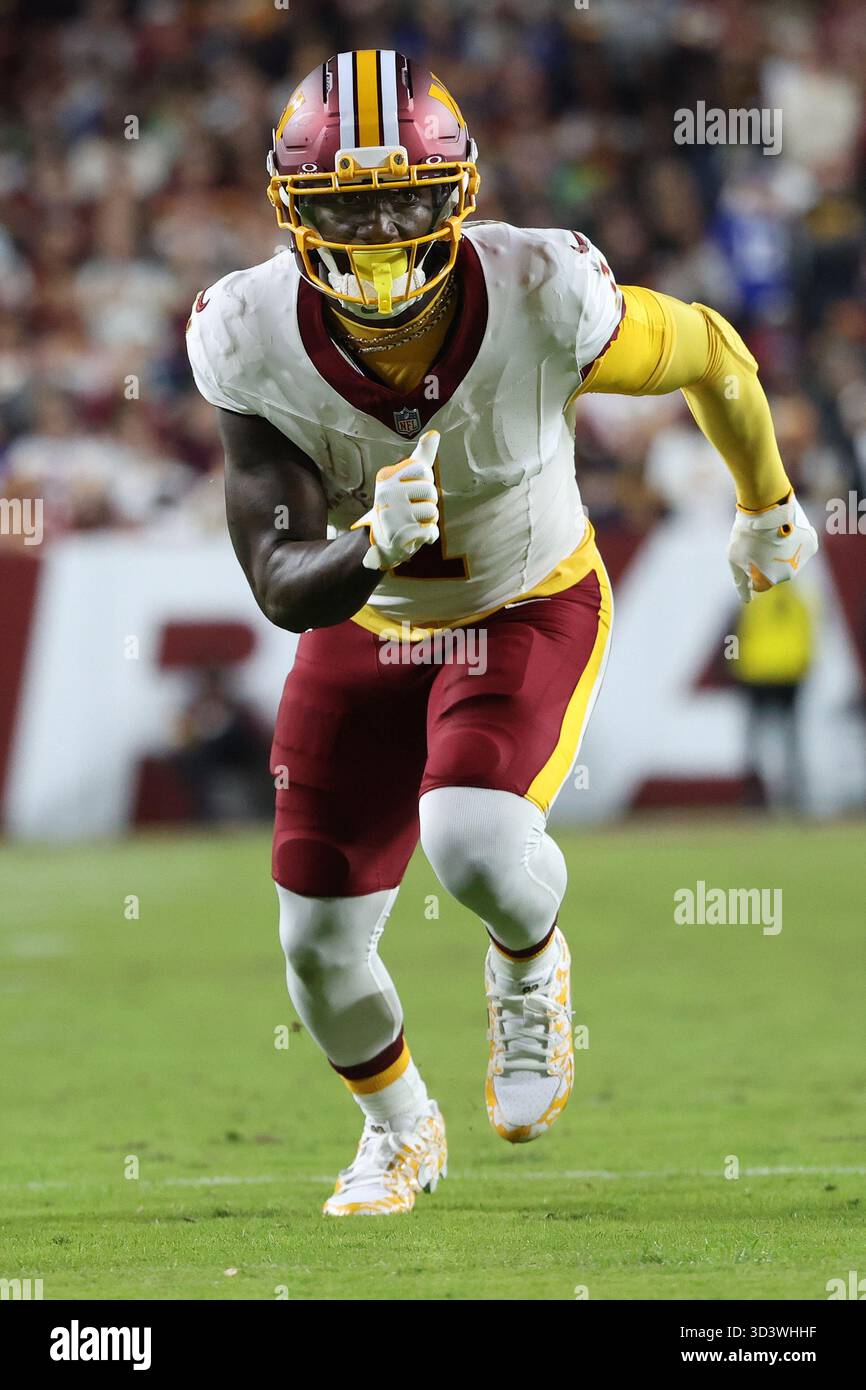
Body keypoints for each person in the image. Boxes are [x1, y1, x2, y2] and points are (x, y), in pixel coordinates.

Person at [186, 50, 818, 1216]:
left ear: (457, 193)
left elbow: (708, 348)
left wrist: (764, 500)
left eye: (403, 199)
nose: (380, 232)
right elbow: (278, 580)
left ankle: (529, 969)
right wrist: (368, 547)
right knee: (314, 944)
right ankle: (400, 1129)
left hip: (527, 598)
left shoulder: (543, 289)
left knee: (471, 838)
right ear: (291, 210)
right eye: (347, 205)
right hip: (367, 626)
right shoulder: (245, 331)